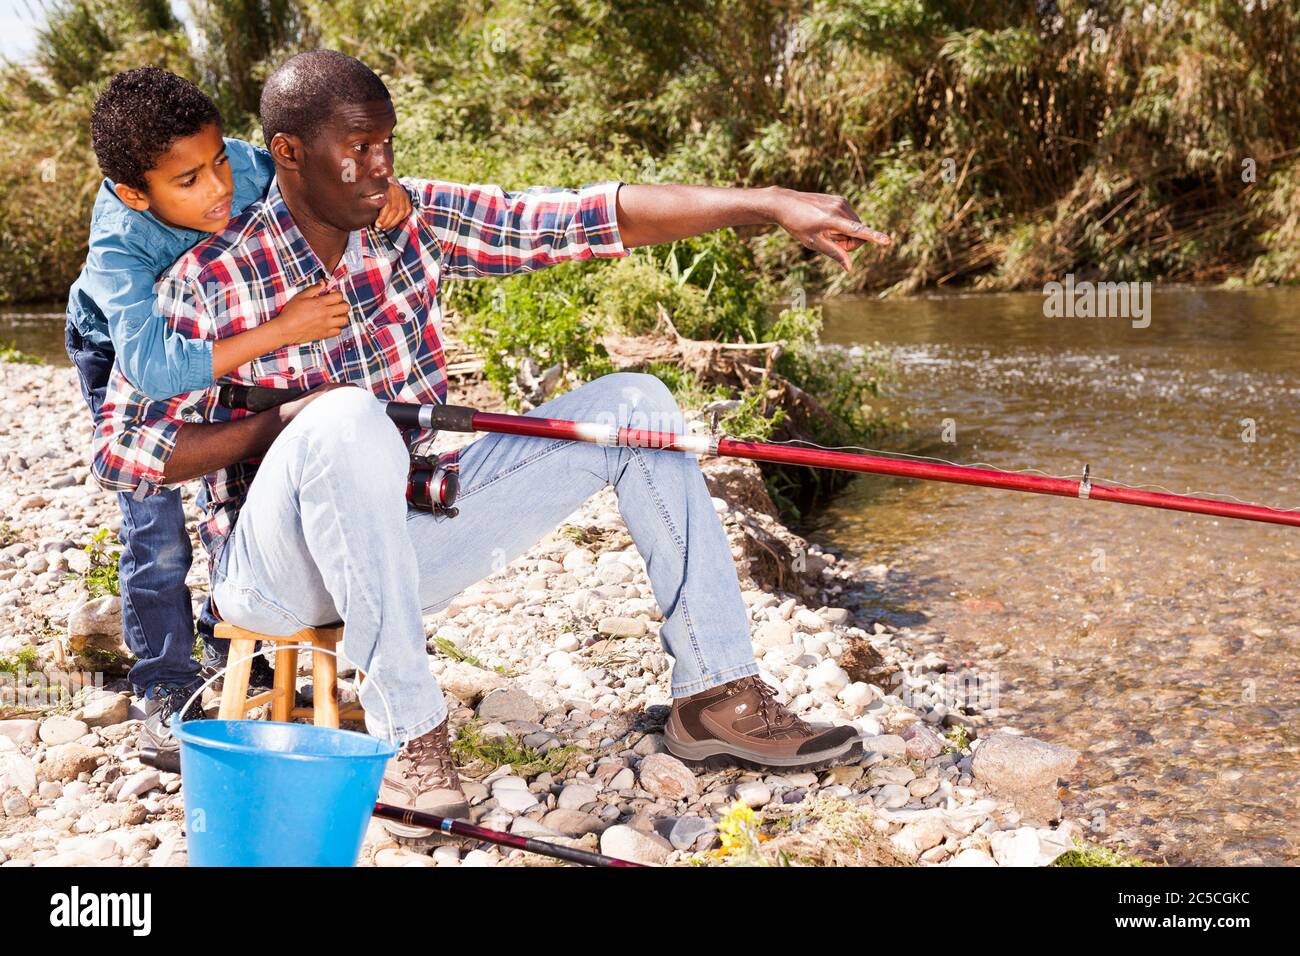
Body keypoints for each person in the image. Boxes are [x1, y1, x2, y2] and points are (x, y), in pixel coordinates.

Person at [90, 50, 892, 844]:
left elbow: (585, 218)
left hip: (414, 539)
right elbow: (128, 457)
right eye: (356, 150)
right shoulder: (206, 271)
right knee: (344, 418)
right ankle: (410, 735)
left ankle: (717, 696)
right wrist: (283, 422)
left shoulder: (409, 220)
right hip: (274, 579)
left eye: (387, 146)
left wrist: (768, 202)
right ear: (289, 154)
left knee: (637, 404)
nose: (379, 169)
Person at [64, 66, 412, 757]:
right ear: (136, 193)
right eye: (188, 181)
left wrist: (380, 189)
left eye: (219, 161)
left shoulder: (247, 171)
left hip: (223, 329)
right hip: (131, 355)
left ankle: (237, 640)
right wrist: (282, 329)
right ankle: (164, 680)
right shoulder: (118, 249)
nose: (220, 188)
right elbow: (158, 371)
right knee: (156, 521)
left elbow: (313, 176)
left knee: (250, 475)